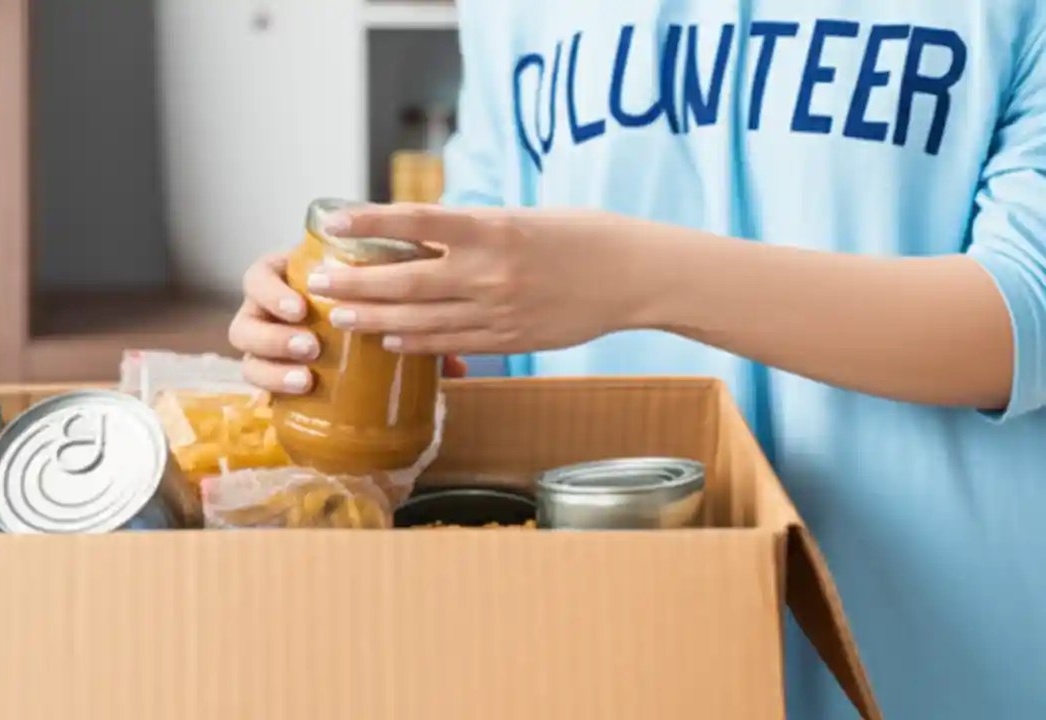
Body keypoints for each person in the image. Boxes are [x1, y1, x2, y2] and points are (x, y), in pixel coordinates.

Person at [228, 2, 1046, 718]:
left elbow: (1024, 315)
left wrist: (632, 276)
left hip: (943, 654)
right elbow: (488, 281)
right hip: (620, 646)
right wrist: (365, 322)